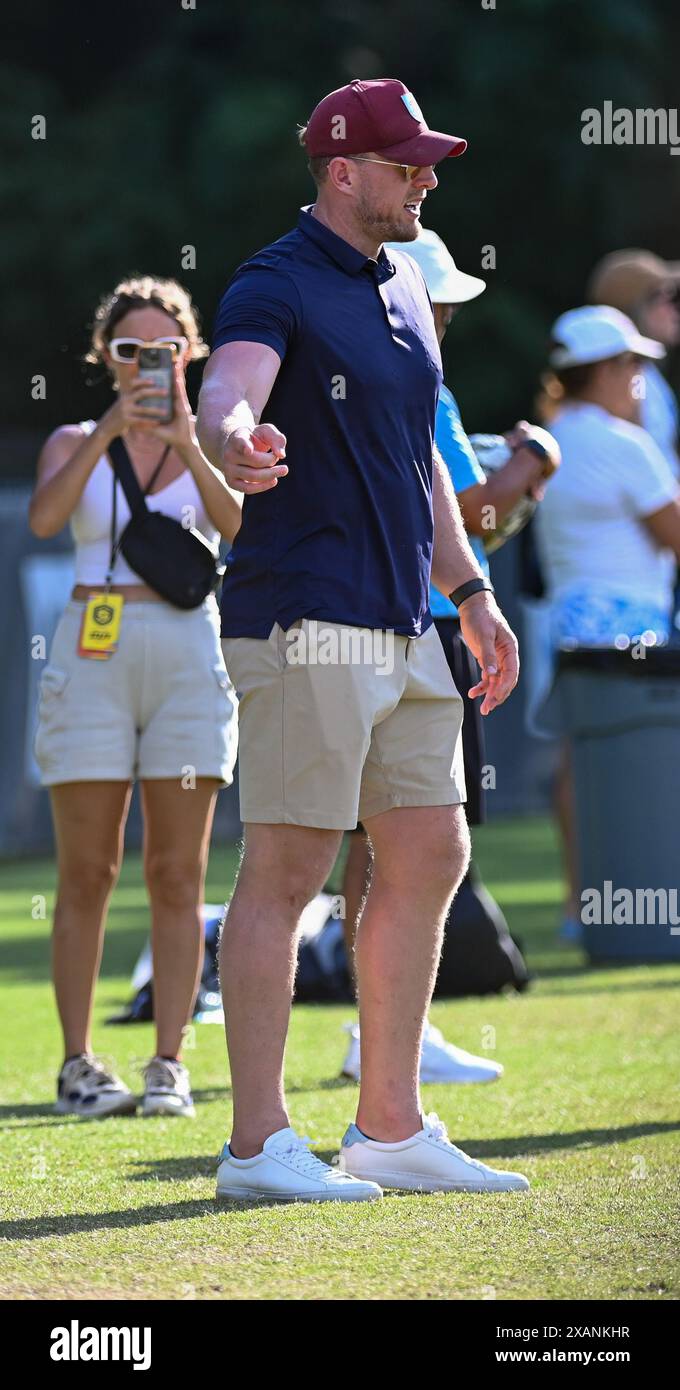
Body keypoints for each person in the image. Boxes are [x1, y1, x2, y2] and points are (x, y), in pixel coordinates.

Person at [197, 78, 528, 1201]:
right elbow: (223, 394)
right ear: (341, 169)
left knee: (431, 850)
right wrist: (235, 442)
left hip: (405, 618)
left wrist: (470, 590)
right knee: (287, 868)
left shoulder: (399, 280)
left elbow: (419, 457)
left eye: (426, 162)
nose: (425, 179)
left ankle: (389, 1128)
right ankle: (256, 1146)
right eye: (405, 164)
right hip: (306, 617)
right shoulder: (273, 278)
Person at [339, 227, 559, 1085]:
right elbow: (475, 519)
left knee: (374, 836)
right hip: (430, 626)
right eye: (443, 302)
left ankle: (386, 1032)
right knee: (415, 839)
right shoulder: (421, 381)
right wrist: (536, 460)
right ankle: (392, 1034)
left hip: (383, 619)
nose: (449, 319)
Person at [29, 276, 242, 1119]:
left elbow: (242, 529)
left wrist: (188, 442)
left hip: (189, 652)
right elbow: (46, 519)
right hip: (93, 650)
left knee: (176, 872)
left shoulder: (212, 442)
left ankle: (168, 1062)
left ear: (190, 355)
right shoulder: (73, 437)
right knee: (88, 869)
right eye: (129, 350)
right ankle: (79, 1064)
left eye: (163, 349)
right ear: (105, 357)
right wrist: (113, 431)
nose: (145, 364)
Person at [536, 304, 680, 937]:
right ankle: (645, 902)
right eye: (633, 367)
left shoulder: (556, 437)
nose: (639, 381)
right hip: (634, 632)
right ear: (609, 370)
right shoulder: (626, 445)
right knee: (648, 762)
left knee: (582, 765)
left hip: (566, 626)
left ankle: (584, 906)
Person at [587, 249, 680, 474]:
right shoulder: (625, 381)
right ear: (636, 306)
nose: (675, 309)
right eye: (668, 296)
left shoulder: (643, 374)